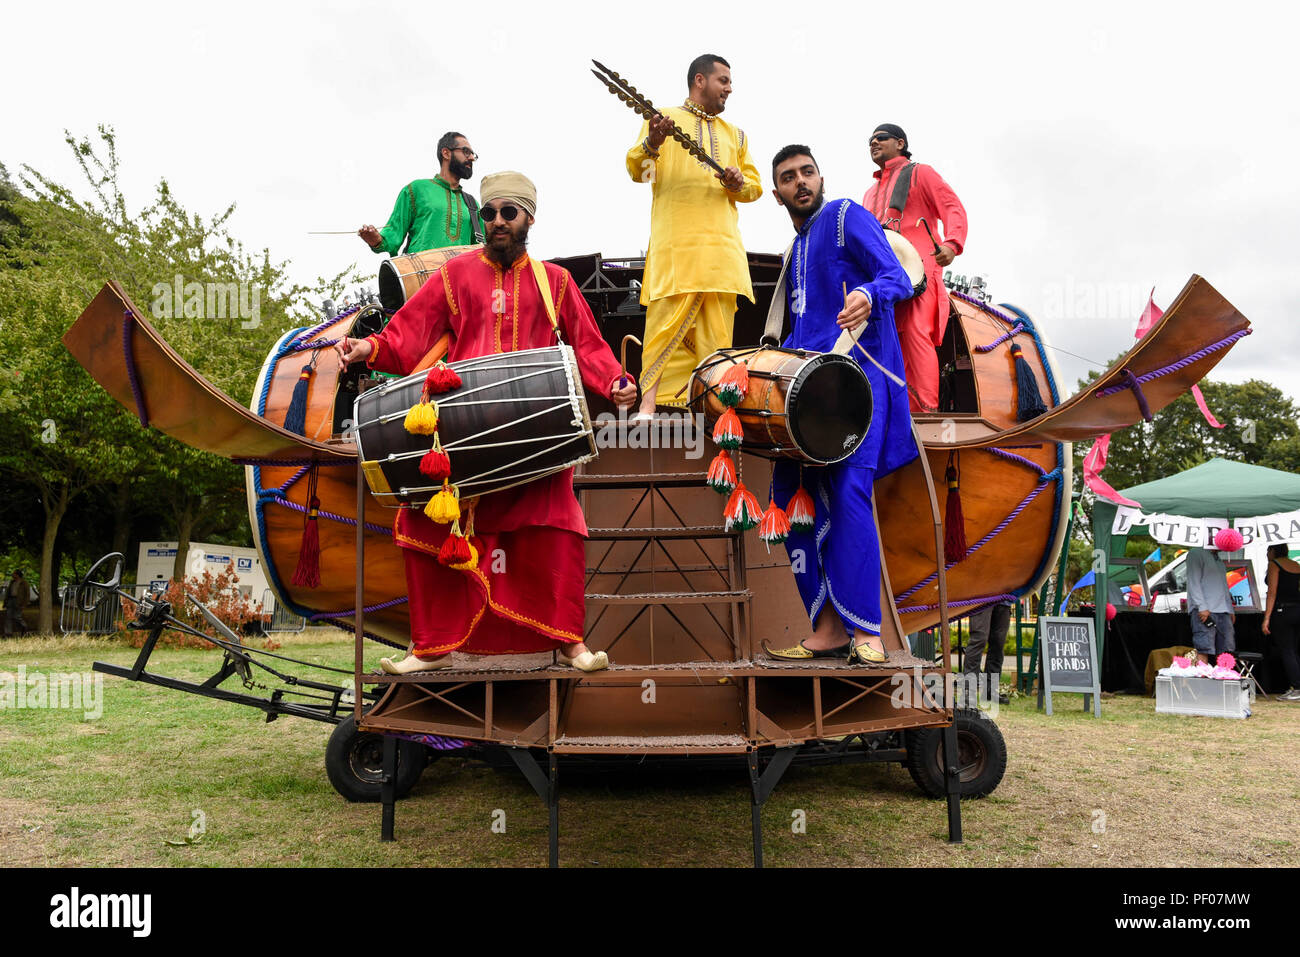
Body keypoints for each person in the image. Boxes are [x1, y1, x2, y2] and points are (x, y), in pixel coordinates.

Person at [337, 172, 637, 674]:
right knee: (425, 522)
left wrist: (615, 384)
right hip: (462, 427)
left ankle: (570, 644)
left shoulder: (555, 281)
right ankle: (431, 648)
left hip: (535, 433)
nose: (496, 222)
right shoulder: (455, 276)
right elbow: (411, 330)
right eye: (489, 213)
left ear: (528, 219)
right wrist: (369, 347)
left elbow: (588, 346)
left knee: (554, 529)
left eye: (507, 213)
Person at [760, 145, 918, 666]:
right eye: (788, 177)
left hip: (859, 384)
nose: (800, 182)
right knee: (789, 493)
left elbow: (897, 274)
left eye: (807, 172)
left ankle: (867, 633)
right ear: (777, 191)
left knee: (850, 491)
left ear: (820, 177)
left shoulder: (846, 215)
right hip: (811, 395)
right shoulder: (794, 249)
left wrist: (869, 294)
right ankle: (827, 627)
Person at [624, 53, 762, 418]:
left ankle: (715, 412)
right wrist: (652, 142)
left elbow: (754, 188)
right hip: (677, 246)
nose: (730, 88)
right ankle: (649, 404)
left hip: (721, 251)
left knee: (718, 338)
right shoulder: (663, 121)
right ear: (700, 80)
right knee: (661, 327)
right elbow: (640, 171)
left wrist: (738, 181)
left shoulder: (736, 135)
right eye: (724, 80)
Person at [861, 123, 968, 412]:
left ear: (900, 143)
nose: (873, 143)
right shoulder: (870, 193)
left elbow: (952, 207)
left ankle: (925, 413)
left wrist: (952, 243)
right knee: (884, 340)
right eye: (869, 140)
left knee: (916, 332)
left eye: (880, 138)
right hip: (884, 275)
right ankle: (891, 413)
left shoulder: (922, 172)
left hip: (920, 268)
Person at [358, 131, 485, 256]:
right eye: (466, 152)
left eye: (473, 154)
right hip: (422, 275)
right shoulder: (416, 190)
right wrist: (376, 240)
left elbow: (479, 252)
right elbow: (391, 237)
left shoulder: (472, 204)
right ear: (446, 153)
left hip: (457, 276)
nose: (472, 158)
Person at [1262, 544, 1300, 700]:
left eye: (1268, 551)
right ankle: (1296, 685)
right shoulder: (1296, 565)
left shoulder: (1274, 564)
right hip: (1297, 609)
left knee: (1287, 650)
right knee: (1295, 650)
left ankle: (1297, 687)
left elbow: (1272, 592)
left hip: (1282, 611)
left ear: (1273, 551)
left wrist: (1266, 618)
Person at [1186, 544, 1235, 662]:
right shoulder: (1196, 553)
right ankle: (1202, 676)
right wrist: (1201, 607)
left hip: (1223, 610)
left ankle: (1224, 677)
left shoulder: (1217, 557)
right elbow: (1193, 581)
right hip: (1206, 609)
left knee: (1227, 650)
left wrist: (1230, 609)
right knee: (1203, 648)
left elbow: (1224, 585)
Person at [963, 600, 1013, 705]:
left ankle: (990, 691)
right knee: (979, 640)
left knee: (998, 645)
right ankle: (969, 690)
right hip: (983, 597)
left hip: (1005, 600)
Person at [4, 570, 30, 636]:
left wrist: (25, 604)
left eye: (14, 573)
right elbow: (8, 593)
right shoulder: (12, 582)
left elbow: (27, 594)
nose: (12, 574)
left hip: (18, 601)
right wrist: (5, 602)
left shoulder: (24, 583)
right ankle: (8, 633)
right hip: (10, 600)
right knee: (8, 616)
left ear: (17, 575)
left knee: (17, 616)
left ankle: (24, 627)